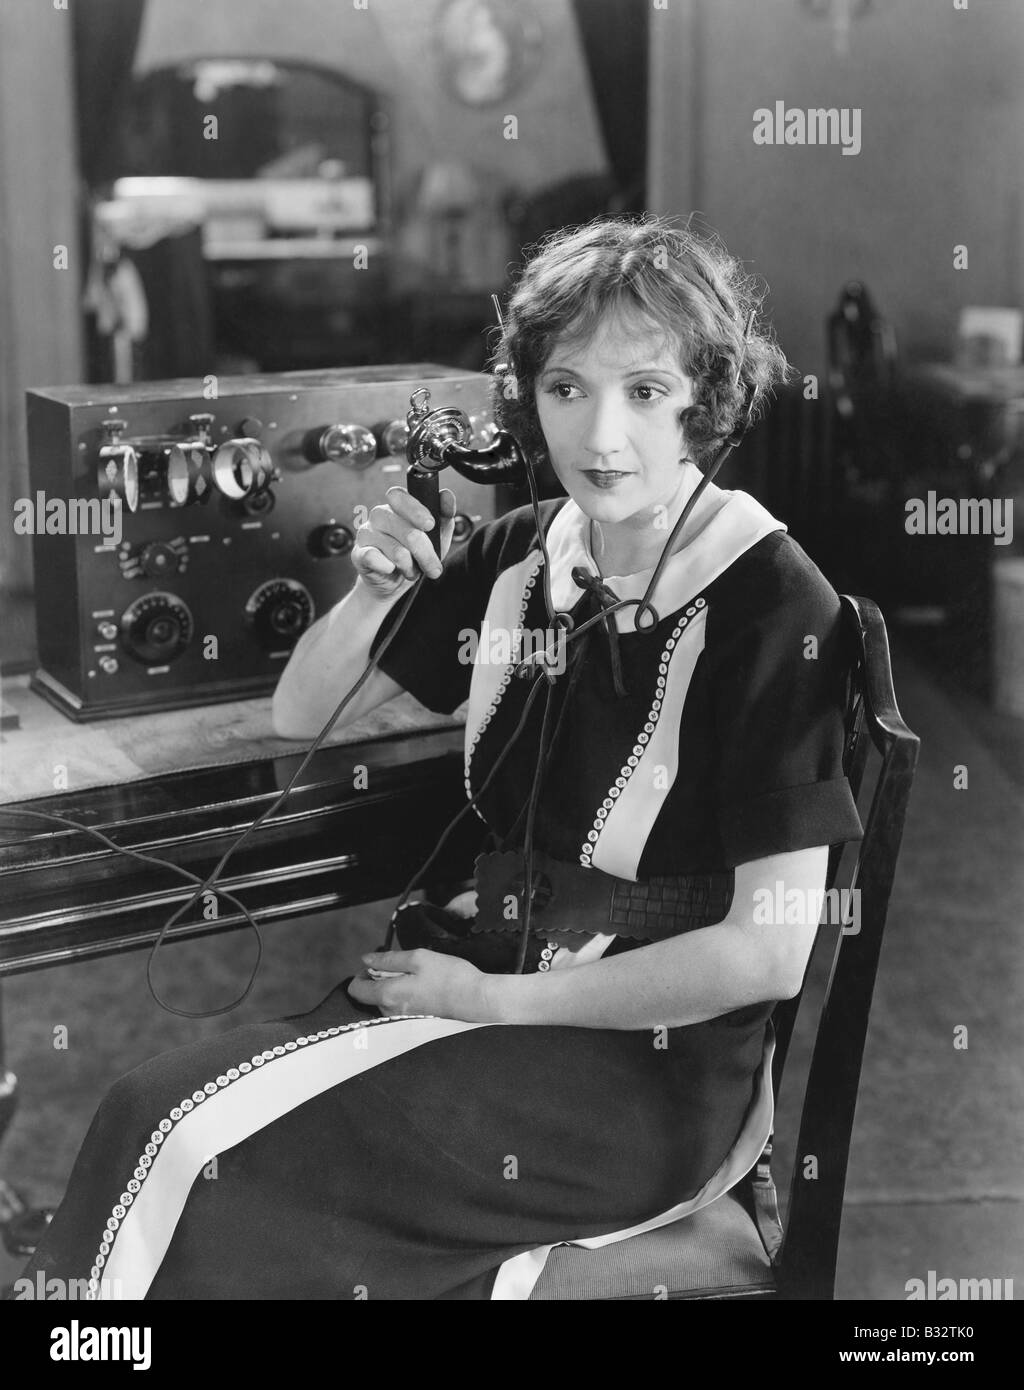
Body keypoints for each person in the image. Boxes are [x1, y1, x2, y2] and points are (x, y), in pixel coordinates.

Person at [19, 216, 862, 1301]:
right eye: (566, 388)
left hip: (634, 1071)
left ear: (704, 396)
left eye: (645, 390)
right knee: (161, 1121)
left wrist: (488, 1003)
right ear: (525, 401)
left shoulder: (771, 601)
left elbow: (764, 956)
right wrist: (374, 591)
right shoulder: (525, 551)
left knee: (189, 1145)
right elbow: (298, 706)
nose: (602, 434)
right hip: (469, 981)